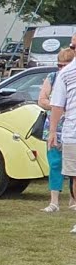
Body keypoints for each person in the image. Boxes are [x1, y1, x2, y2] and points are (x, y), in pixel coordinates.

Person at [39, 47, 76, 212]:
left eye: (65, 65)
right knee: (54, 163)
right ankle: (54, 201)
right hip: (55, 127)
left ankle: (72, 201)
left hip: (71, 127)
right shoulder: (53, 77)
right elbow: (42, 100)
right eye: (59, 65)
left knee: (72, 168)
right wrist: (57, 106)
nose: (61, 69)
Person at [48, 49, 76, 230]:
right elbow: (56, 104)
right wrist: (52, 131)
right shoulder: (64, 74)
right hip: (71, 131)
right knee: (72, 175)